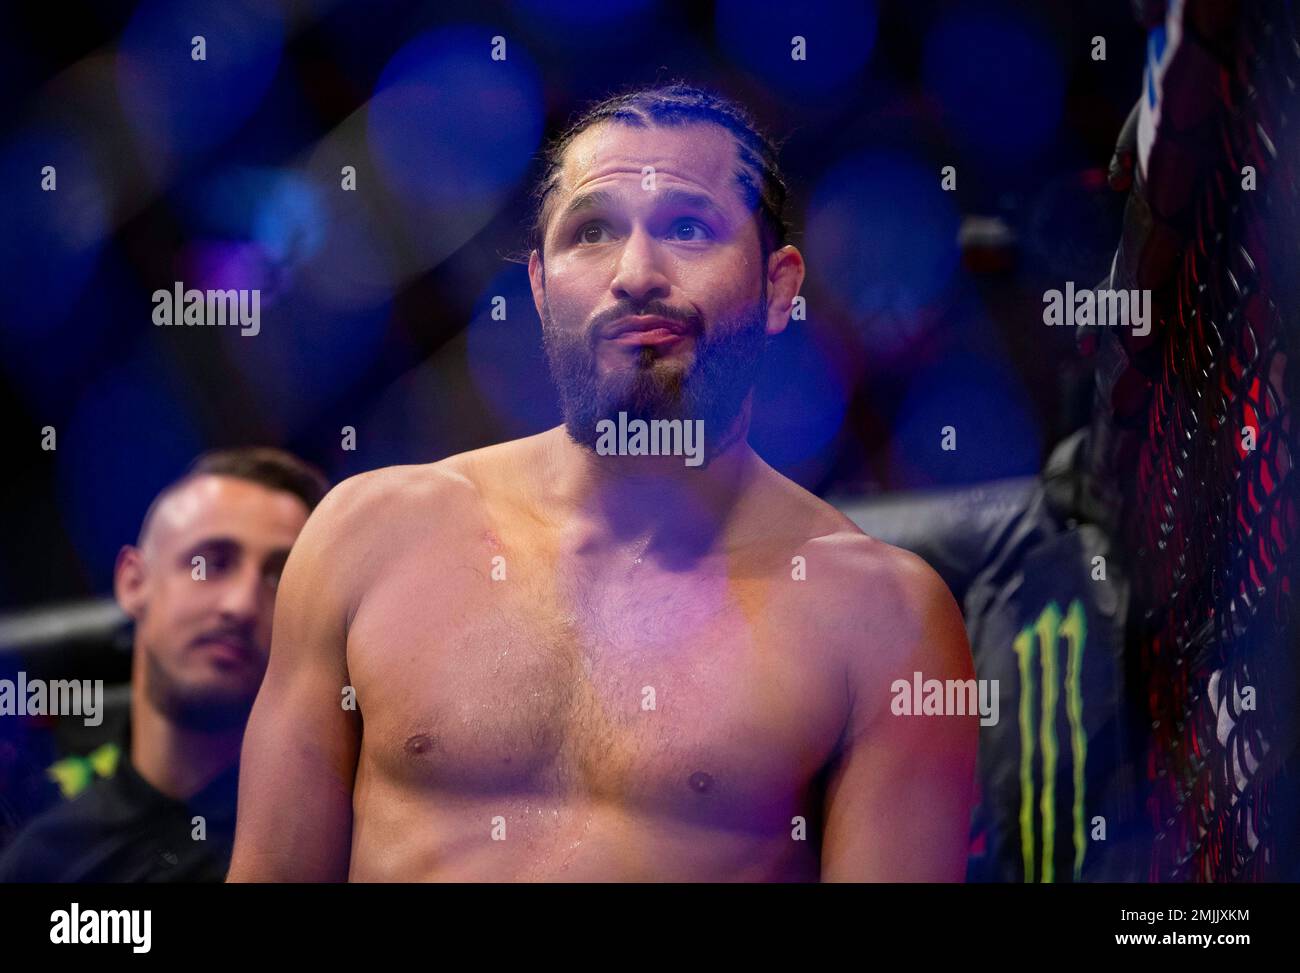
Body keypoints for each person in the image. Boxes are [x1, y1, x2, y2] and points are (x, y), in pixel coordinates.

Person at [228, 84, 977, 882]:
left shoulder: (881, 618)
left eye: (689, 227)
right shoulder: (367, 534)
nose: (637, 273)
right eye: (592, 231)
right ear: (542, 287)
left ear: (779, 288)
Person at [0, 448, 329, 881]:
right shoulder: (43, 862)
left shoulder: (338, 843)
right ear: (134, 582)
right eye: (210, 563)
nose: (242, 605)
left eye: (279, 577)